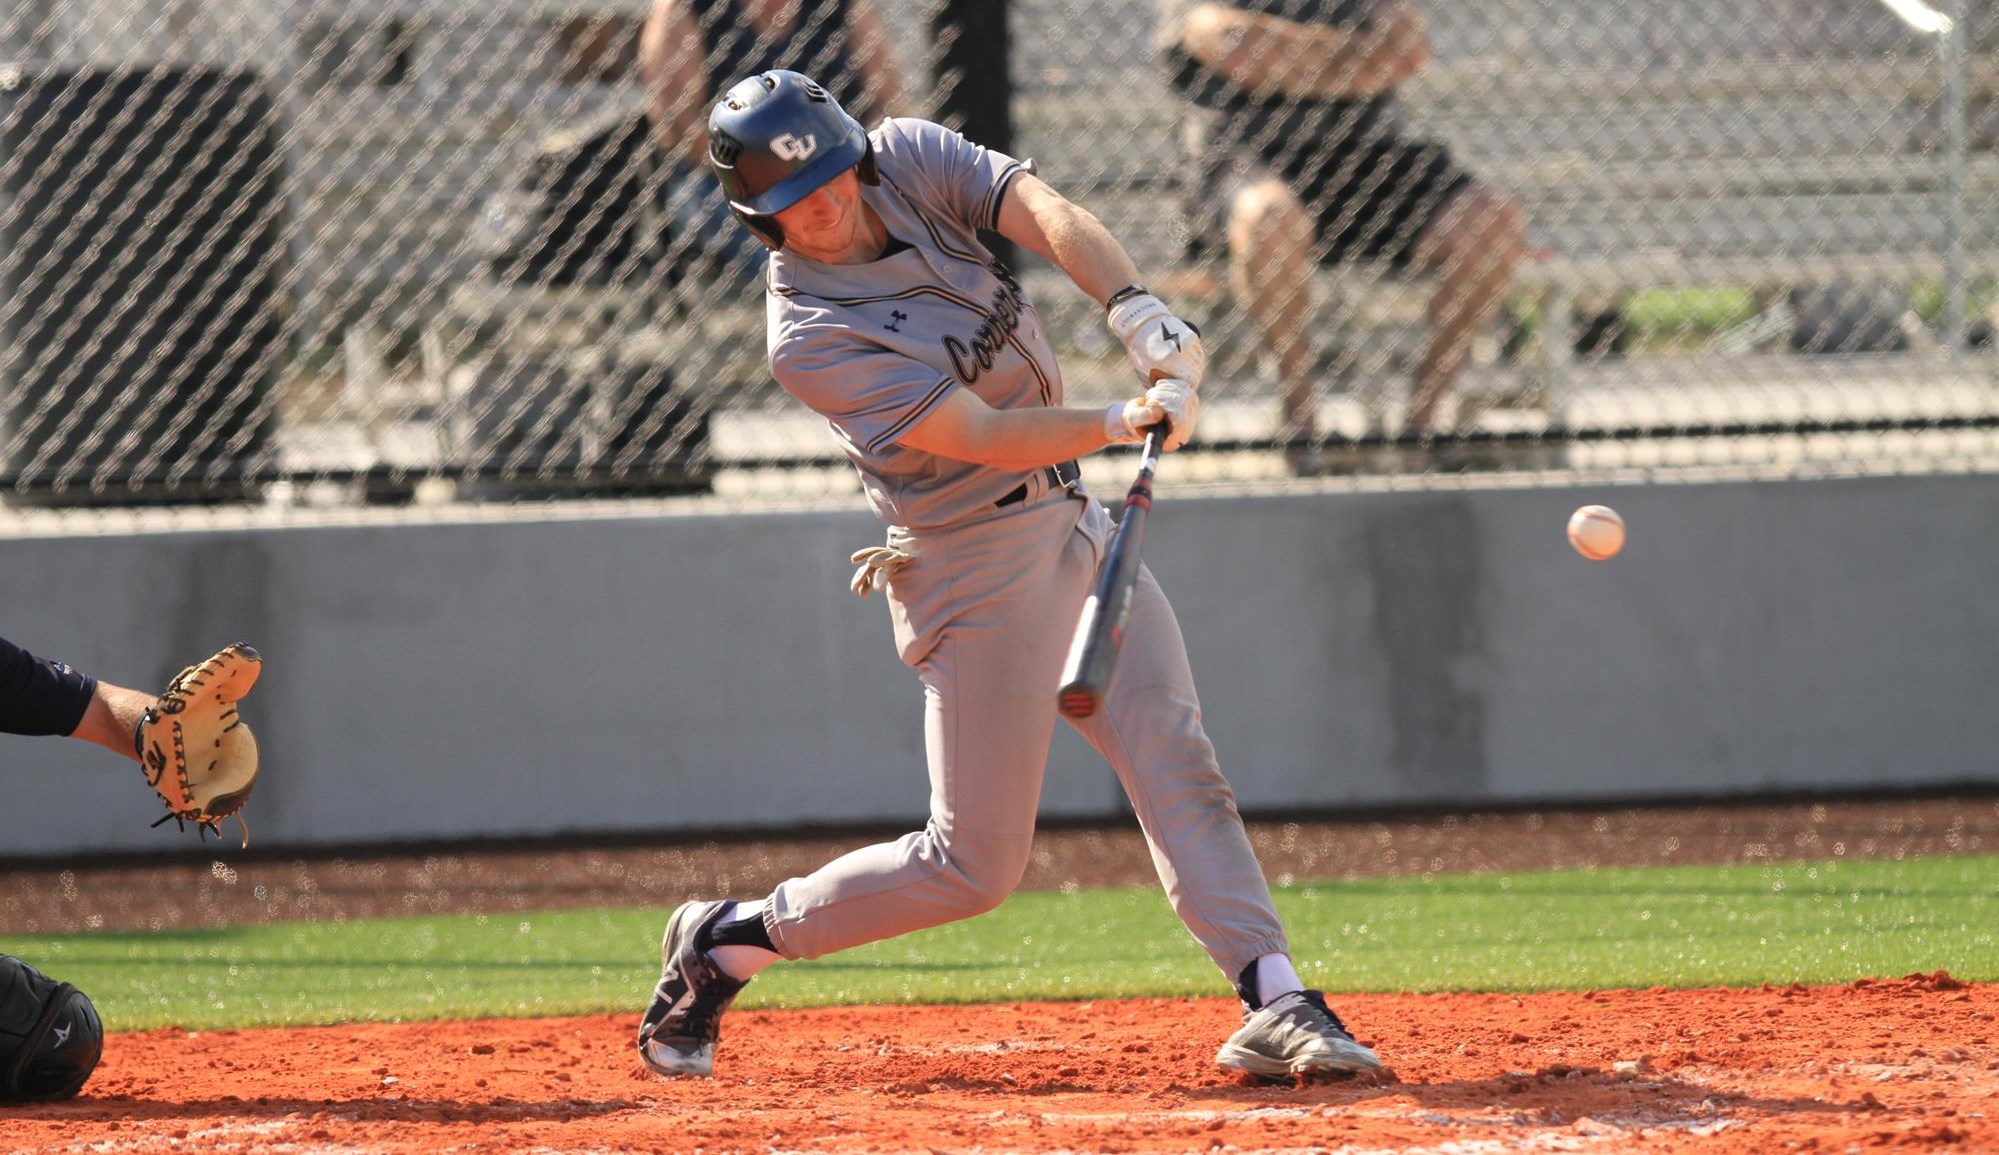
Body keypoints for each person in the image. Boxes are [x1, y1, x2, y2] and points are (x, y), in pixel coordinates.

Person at [634, 69, 1384, 1084]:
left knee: (1178, 762)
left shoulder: (900, 155)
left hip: (1072, 522)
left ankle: (1276, 999)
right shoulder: (808, 337)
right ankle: (726, 938)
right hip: (967, 570)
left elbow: (1039, 209)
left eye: (831, 177)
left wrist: (1133, 308)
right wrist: (1123, 420)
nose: (824, 206)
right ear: (755, 217)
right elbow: (979, 435)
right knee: (971, 868)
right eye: (789, 202)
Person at [1162, 0, 1526, 458]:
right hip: (1248, 156)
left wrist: (1285, 56)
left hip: (1371, 157)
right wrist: (1356, 54)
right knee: (1272, 220)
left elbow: (1407, 51)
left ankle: (1422, 421)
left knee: (1493, 218)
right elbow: (1238, 50)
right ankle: (1301, 419)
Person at [639, 0, 904, 287]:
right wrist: (772, 172)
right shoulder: (688, 7)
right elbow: (675, 123)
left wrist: (852, 159)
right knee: (800, 263)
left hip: (840, 166)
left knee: (899, 226)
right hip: (737, 187)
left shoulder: (843, 5)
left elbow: (890, 102)